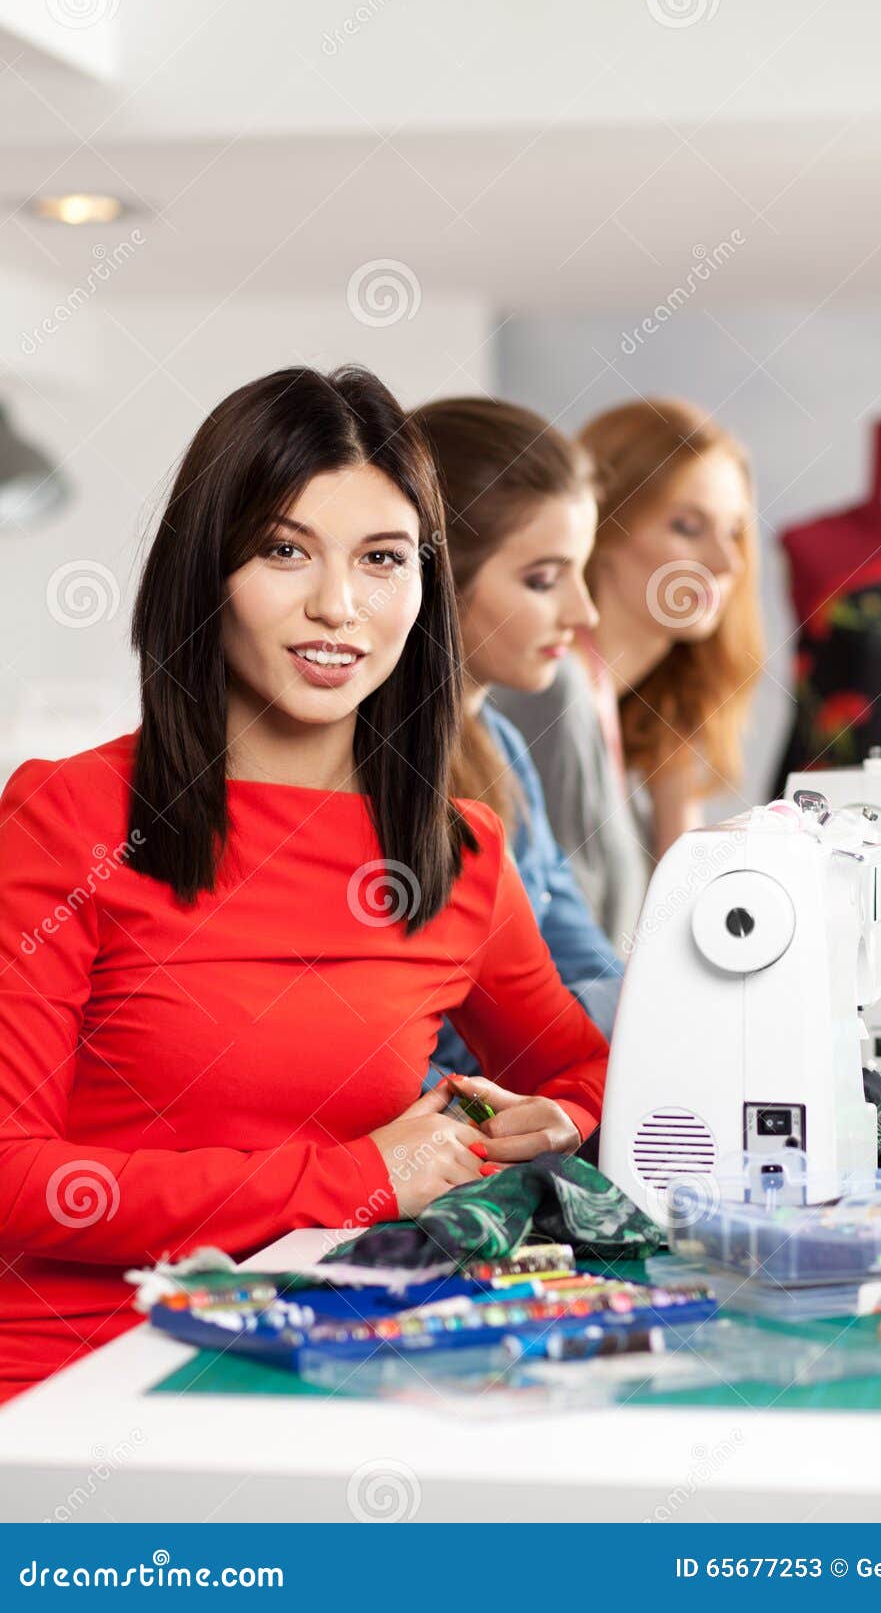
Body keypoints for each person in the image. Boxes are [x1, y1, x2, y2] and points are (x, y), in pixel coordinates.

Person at [0, 365, 608, 1402]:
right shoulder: (70, 818)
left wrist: (555, 1119)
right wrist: (359, 1175)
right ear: (206, 574)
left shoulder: (458, 854)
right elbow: (14, 1177)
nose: (338, 605)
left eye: (381, 559)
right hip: (82, 1381)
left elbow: (581, 1071)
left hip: (331, 1362)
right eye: (285, 551)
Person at [496, 397, 764, 952]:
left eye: (734, 531)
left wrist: (675, 775)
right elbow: (556, 954)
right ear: (604, 529)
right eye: (688, 527)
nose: (727, 562)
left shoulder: (624, 714)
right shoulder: (552, 694)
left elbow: (685, 928)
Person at [410, 397, 624, 1081]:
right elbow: (388, 1056)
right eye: (542, 579)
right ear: (436, 577)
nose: (582, 611)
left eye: (579, 572)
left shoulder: (498, 747)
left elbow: (579, 962)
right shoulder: (357, 776)